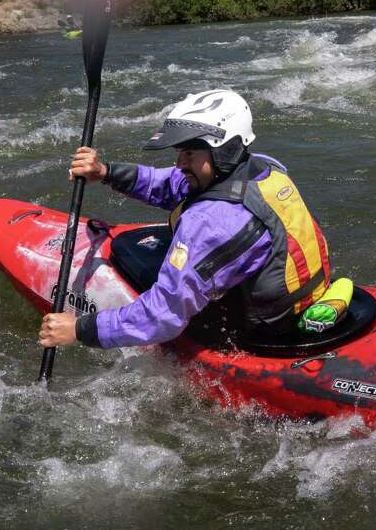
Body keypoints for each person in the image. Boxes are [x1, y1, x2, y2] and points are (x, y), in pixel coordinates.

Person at [38, 89, 332, 351]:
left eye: (189, 153)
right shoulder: (265, 167)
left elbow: (162, 316)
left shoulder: (209, 223)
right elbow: (168, 183)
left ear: (225, 149)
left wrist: (79, 329)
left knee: (146, 271)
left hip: (259, 330)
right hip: (299, 301)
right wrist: (105, 172)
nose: (180, 162)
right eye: (180, 152)